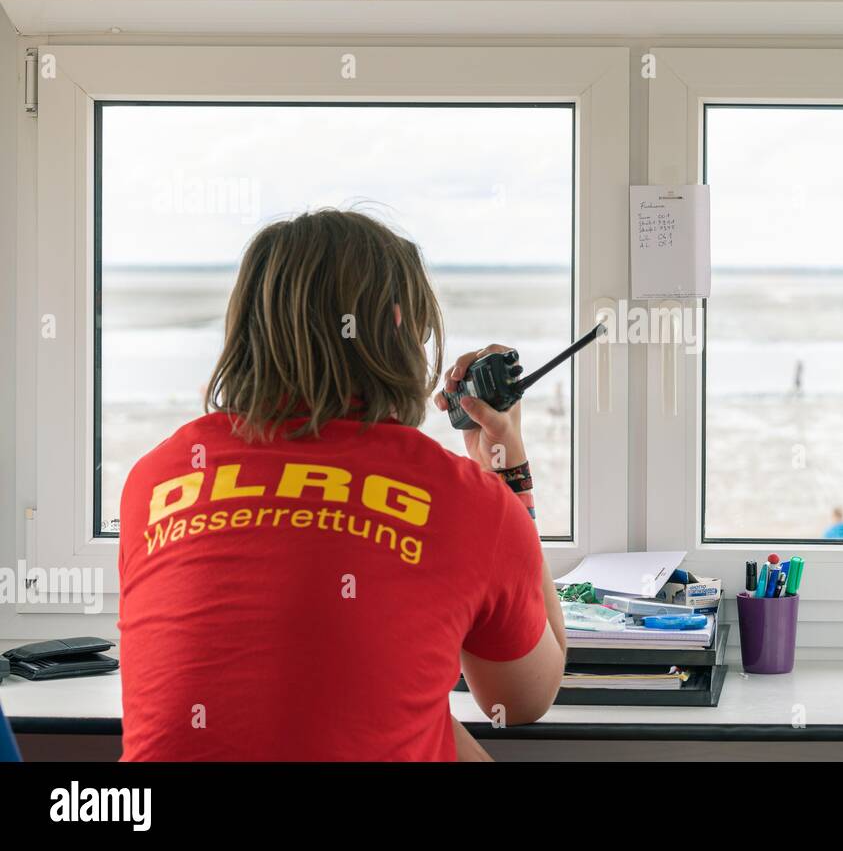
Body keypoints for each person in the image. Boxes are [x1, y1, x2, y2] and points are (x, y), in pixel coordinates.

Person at [117, 209, 566, 761]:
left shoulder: (159, 476)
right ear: (399, 326)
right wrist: (507, 473)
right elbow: (520, 699)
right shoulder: (465, 499)